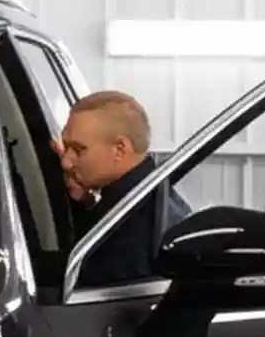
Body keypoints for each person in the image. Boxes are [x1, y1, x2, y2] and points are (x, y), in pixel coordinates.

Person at [52, 90, 190, 287]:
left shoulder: (137, 227)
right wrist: (83, 206)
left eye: (78, 150)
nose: (66, 162)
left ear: (119, 149)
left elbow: (84, 285)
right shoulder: (146, 198)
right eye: (66, 148)